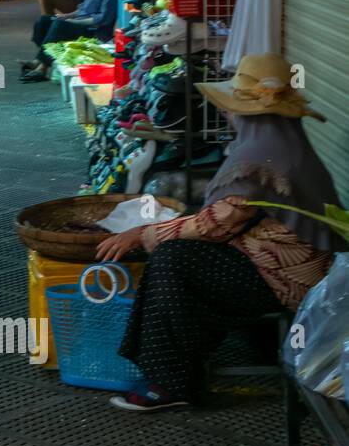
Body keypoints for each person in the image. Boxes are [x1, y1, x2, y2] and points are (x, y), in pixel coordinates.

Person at [95, 54, 346, 411]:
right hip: (288, 263)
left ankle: (171, 383)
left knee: (173, 260)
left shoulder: (263, 157)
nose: (229, 113)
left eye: (233, 107)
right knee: (181, 253)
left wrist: (142, 235)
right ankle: (180, 359)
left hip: (288, 279)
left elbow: (215, 224)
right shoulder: (281, 142)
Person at [20, 0, 117, 82]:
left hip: (94, 30)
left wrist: (74, 22)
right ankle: (42, 59)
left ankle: (42, 67)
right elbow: (84, 8)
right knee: (43, 21)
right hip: (81, 21)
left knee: (60, 26)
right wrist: (69, 16)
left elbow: (103, 19)